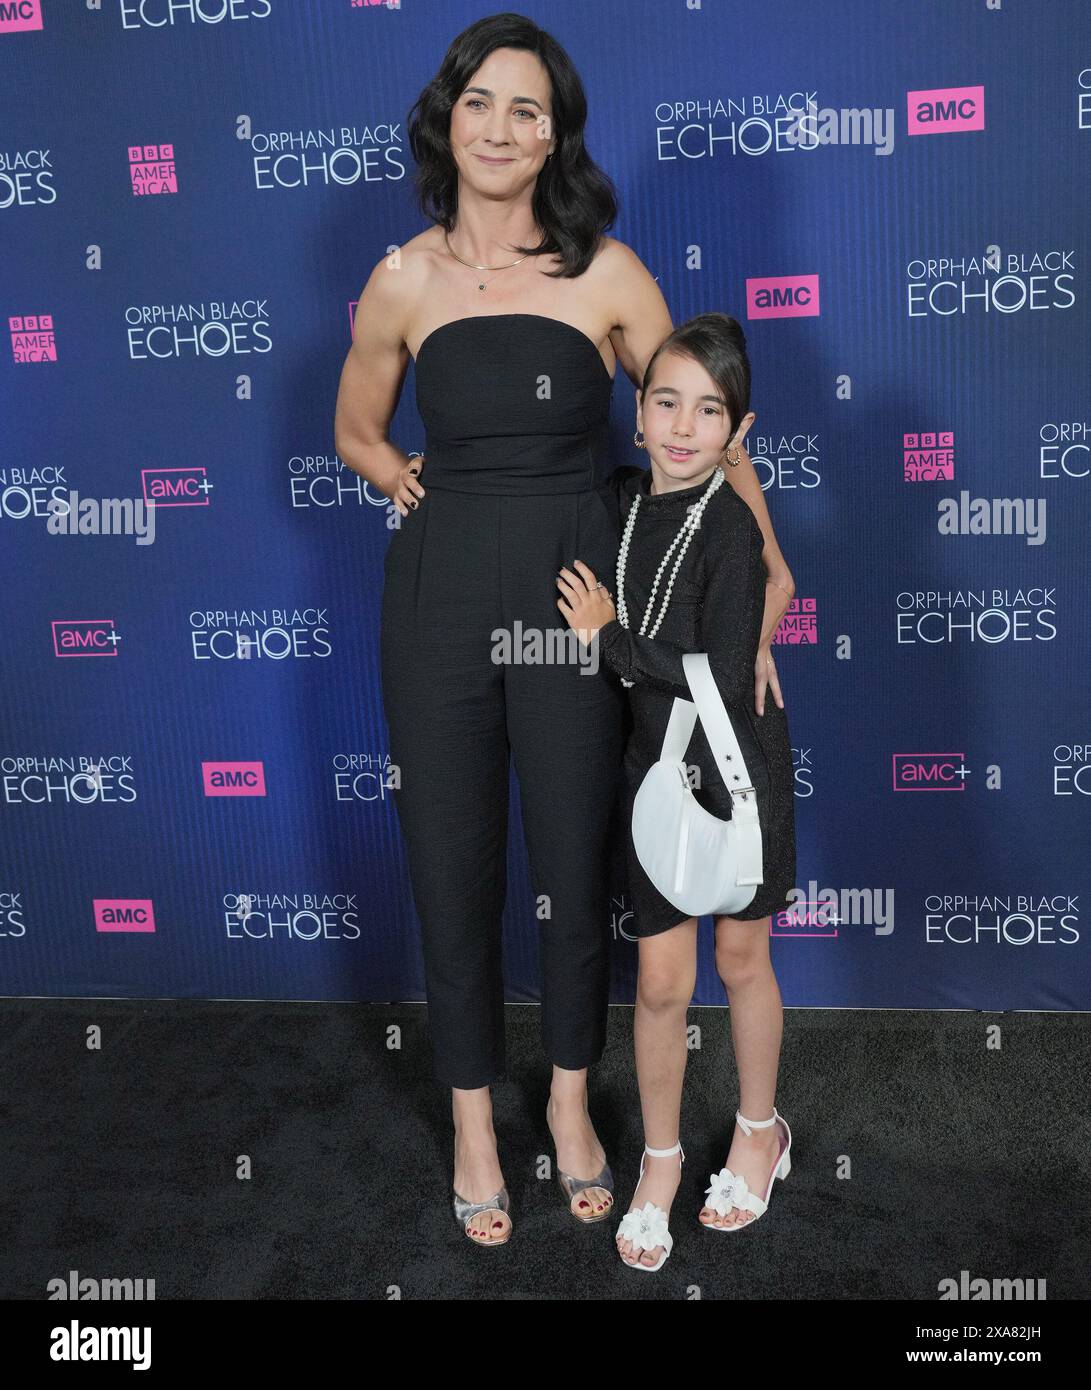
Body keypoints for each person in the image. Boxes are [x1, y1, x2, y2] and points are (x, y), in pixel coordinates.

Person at [334, 14, 790, 1248]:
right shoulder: (401, 278)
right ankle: (474, 1123)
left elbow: (699, 424)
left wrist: (766, 565)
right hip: (437, 607)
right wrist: (401, 479)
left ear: (554, 137)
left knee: (576, 860)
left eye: (526, 110)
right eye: (479, 103)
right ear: (448, 119)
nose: (499, 128)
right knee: (450, 860)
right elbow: (354, 427)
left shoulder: (608, 274)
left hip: (574, 605)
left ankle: (573, 1104)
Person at [556, 313, 797, 1271]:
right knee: (660, 983)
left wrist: (608, 641)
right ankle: (659, 1161)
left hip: (737, 772)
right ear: (639, 410)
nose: (683, 426)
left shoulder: (729, 523)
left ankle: (758, 1133)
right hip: (653, 772)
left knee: (740, 959)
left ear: (737, 430)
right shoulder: (618, 502)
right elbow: (527, 486)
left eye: (708, 410)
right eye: (666, 402)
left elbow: (725, 670)